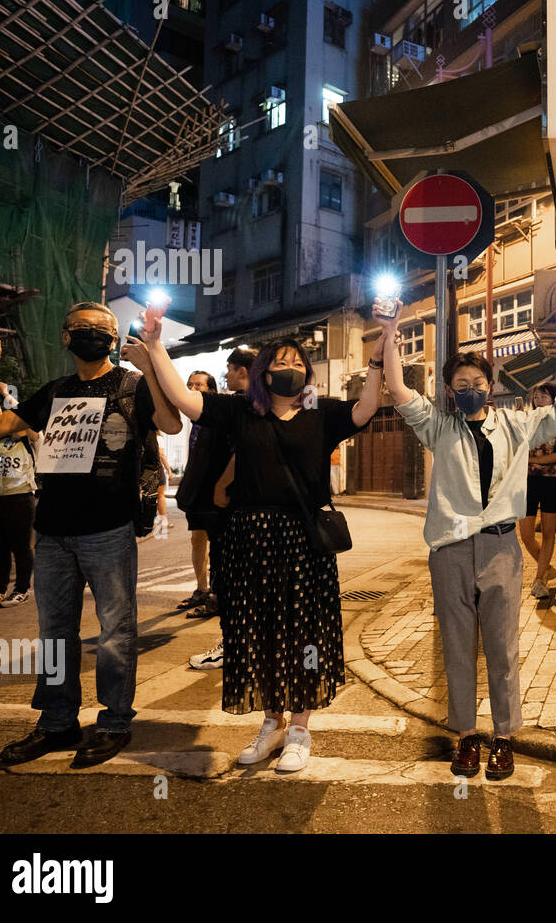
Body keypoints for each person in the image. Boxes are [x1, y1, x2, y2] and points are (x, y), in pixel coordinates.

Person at [141, 323, 381, 774]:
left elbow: (366, 409)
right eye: (280, 362)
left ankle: (300, 729)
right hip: (249, 542)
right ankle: (272, 722)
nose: (290, 369)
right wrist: (155, 346)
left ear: (306, 374)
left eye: (297, 364)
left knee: (304, 637)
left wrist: (378, 354)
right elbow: (185, 400)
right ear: (262, 373)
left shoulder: (320, 414)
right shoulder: (239, 412)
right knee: (261, 635)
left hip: (303, 544)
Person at [382, 298, 556, 781]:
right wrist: (389, 331)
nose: (470, 391)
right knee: (456, 645)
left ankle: (504, 738)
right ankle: (467, 738)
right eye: (461, 386)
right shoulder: (438, 427)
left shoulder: (515, 424)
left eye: (478, 384)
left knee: (502, 647)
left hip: (500, 548)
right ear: (449, 392)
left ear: (489, 387)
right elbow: (396, 388)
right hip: (449, 550)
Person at [0, 303, 182, 769]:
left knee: (115, 632)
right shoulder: (55, 392)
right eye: (84, 329)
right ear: (66, 337)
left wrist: (150, 363)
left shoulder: (132, 386)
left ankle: (113, 723)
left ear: (114, 338)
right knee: (54, 634)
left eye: (103, 329)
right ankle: (56, 722)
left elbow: (171, 425)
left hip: (109, 528)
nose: (94, 335)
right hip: (51, 532)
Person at [188, 347, 256, 668]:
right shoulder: (257, 403)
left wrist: (221, 483)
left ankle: (233, 645)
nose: (226, 374)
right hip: (235, 505)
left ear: (242, 371)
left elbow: (243, 449)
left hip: (233, 505)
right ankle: (242, 643)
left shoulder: (243, 405)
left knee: (233, 576)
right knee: (235, 576)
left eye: (229, 369)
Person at [0, 382, 39, 608]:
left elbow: (25, 417)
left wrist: (5, 393)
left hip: (20, 497)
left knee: (21, 547)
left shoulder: (29, 438)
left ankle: (21, 590)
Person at [175, 371, 221, 612]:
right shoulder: (194, 419)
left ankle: (217, 592)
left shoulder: (219, 417)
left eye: (199, 385)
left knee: (218, 541)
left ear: (211, 390)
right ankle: (201, 589)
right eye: (190, 384)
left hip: (215, 489)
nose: (193, 388)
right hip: (197, 489)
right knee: (197, 538)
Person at [519, 382, 556, 599]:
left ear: (553, 400)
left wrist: (528, 459)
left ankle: (539, 580)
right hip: (527, 483)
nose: (539, 400)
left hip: (551, 483)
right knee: (526, 535)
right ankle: (546, 567)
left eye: (544, 396)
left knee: (548, 533)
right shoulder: (527, 422)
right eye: (536, 396)